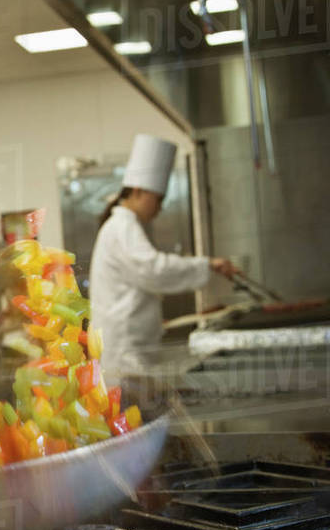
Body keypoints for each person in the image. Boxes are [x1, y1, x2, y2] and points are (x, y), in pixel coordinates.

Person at [89, 135, 238, 372]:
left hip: (129, 347)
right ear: (137, 191)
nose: (160, 207)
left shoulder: (124, 226)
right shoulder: (123, 227)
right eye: (158, 199)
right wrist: (207, 264)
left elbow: (141, 280)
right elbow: (153, 270)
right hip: (124, 352)